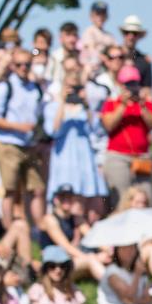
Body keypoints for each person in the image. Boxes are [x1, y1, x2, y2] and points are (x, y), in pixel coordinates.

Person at [0, 46, 46, 227]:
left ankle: (39, 229)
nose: (23, 68)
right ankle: (9, 229)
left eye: (27, 64)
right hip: (8, 144)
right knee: (10, 191)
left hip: (29, 144)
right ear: (12, 66)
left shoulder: (35, 88)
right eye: (19, 64)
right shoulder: (5, 87)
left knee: (36, 190)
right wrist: (19, 127)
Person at [44, 69, 109, 205]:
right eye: (69, 87)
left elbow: (96, 129)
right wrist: (62, 101)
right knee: (66, 200)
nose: (73, 91)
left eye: (76, 87)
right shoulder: (53, 106)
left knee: (88, 199)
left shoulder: (86, 108)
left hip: (84, 157)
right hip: (64, 158)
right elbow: (53, 130)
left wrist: (86, 103)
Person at [100, 65, 152, 207]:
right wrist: (123, 105)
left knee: (146, 199)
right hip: (118, 157)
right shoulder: (112, 103)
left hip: (141, 157)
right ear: (120, 85)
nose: (131, 87)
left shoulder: (145, 104)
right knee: (122, 200)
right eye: (128, 84)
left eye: (134, 84)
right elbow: (109, 124)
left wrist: (143, 106)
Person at [38, 185, 106, 281]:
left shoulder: (76, 218)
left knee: (107, 258)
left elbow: (93, 238)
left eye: (69, 197)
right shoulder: (50, 219)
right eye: (63, 197)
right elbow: (66, 247)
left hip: (72, 260)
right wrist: (90, 257)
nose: (66, 200)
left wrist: (108, 250)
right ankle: (114, 288)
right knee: (91, 260)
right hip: (55, 266)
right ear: (56, 200)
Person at [79, 1, 116, 72]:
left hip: (107, 66)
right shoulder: (89, 32)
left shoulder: (109, 36)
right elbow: (91, 50)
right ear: (91, 16)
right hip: (94, 67)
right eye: (98, 14)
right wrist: (105, 59)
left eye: (103, 14)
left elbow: (116, 49)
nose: (100, 17)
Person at [118, 15, 152, 89]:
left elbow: (147, 88)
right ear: (123, 34)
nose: (131, 36)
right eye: (127, 32)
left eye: (134, 33)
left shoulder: (145, 61)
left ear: (139, 36)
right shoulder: (113, 57)